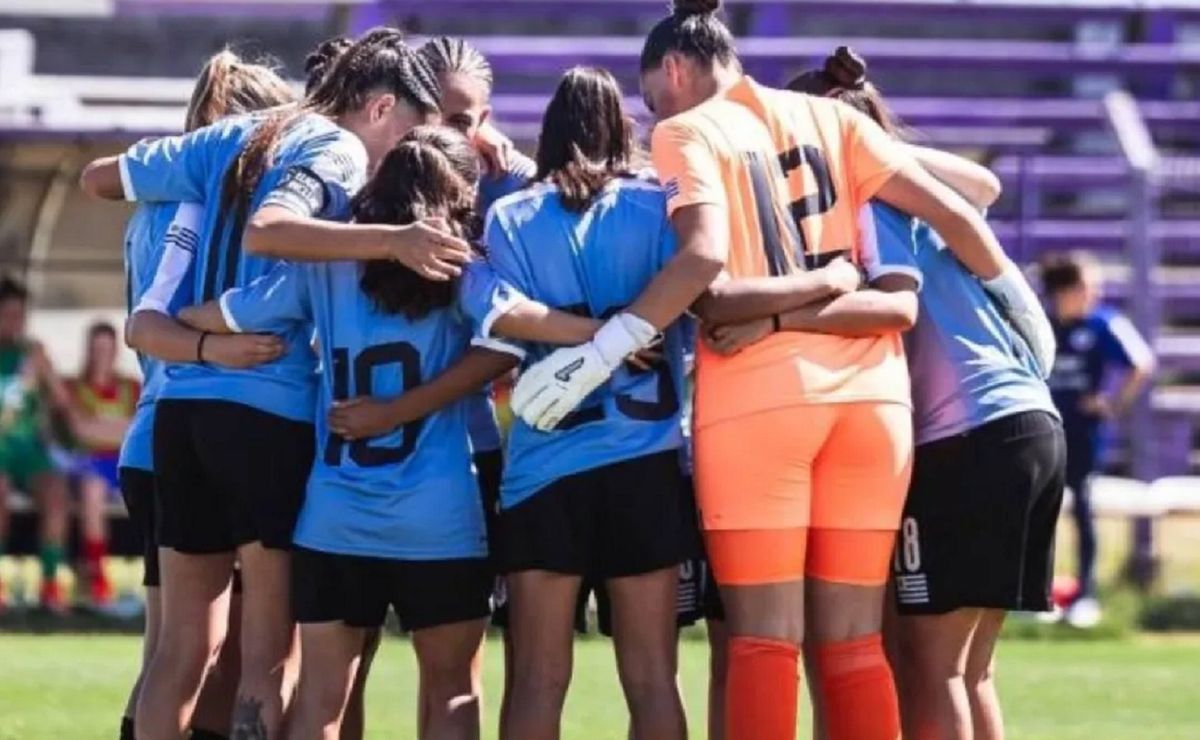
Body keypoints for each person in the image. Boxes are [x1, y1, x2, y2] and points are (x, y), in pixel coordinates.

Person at [509, 3, 1054, 738]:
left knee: (764, 638)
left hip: (760, 401)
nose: (652, 117)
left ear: (674, 70)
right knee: (855, 641)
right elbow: (961, 208)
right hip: (873, 404)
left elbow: (705, 274)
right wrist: (1019, 305)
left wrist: (605, 350)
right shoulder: (834, 119)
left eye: (652, 98)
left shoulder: (686, 129)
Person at [79, 28, 467, 739]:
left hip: (180, 413)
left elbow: (100, 178)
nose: (402, 154)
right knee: (267, 655)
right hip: (266, 411)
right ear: (381, 107)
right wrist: (393, 239)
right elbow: (270, 228)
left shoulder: (232, 136)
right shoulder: (337, 148)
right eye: (410, 129)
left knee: (178, 652)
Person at [178, 126, 524, 740]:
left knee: (322, 697)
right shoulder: (459, 265)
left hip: (336, 512)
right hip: (438, 517)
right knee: (451, 692)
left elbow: (232, 312)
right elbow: (508, 340)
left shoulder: (327, 264)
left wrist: (183, 322)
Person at [784, 46, 1066, 740]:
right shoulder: (921, 198)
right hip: (1031, 426)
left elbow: (889, 308)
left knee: (928, 665)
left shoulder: (865, 208)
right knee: (971, 671)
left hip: (964, 440)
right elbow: (983, 186)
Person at [476, 66, 695, 740]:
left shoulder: (510, 216)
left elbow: (502, 321)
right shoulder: (659, 209)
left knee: (537, 683)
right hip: (646, 464)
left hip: (545, 471)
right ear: (622, 130)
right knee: (654, 679)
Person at [110, 48, 297, 740]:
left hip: (152, 435)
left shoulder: (151, 208)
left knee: (172, 654)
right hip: (223, 422)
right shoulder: (224, 207)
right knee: (238, 656)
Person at [1043, 251, 1155, 629]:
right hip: (1042, 431)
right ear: (1064, 290)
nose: (1095, 293)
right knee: (1037, 511)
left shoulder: (1104, 324)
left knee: (1084, 508)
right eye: (1088, 285)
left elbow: (1142, 362)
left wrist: (1110, 403)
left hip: (1083, 433)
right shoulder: (1039, 323)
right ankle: (1035, 594)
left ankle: (1086, 595)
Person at [0, 277, 74, 615]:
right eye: (8, 315)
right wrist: (22, 382)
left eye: (20, 315)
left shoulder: (33, 353)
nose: (16, 323)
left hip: (30, 450)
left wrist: (45, 373)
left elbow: (62, 403)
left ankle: (49, 585)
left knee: (56, 491)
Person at [63, 321, 139, 608]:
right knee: (91, 489)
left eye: (108, 348)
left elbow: (140, 427)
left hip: (123, 461)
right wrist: (117, 428)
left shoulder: (130, 387)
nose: (102, 355)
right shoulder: (74, 387)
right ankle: (97, 577)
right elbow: (80, 430)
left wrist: (99, 427)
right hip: (90, 463)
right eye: (97, 349)